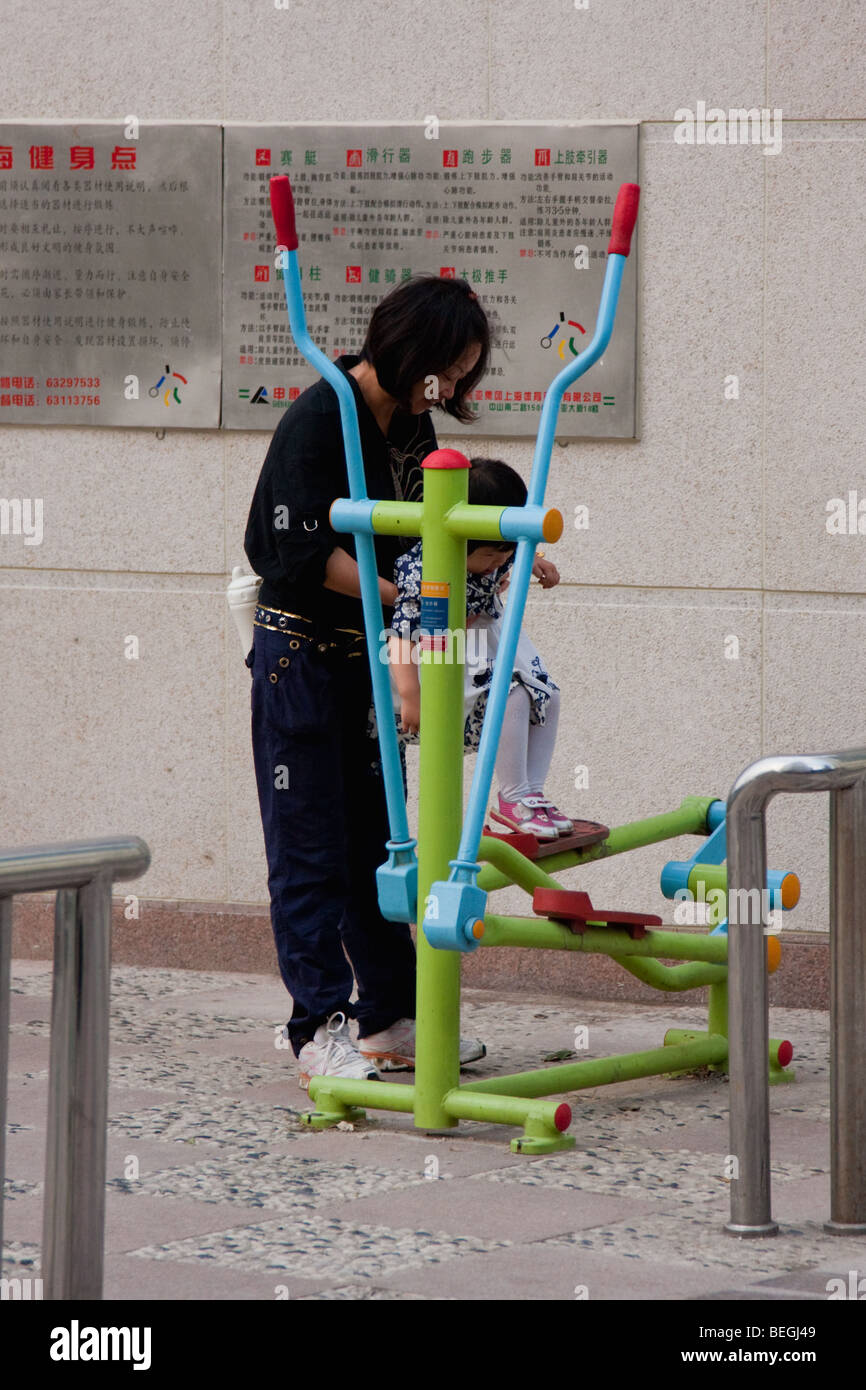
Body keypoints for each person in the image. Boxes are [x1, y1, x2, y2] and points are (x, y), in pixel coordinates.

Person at [244, 275, 491, 1087]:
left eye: (461, 374)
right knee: (311, 850)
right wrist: (410, 599)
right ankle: (318, 1028)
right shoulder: (321, 417)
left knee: (378, 844)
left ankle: (389, 1016)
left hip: (371, 661)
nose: (449, 389)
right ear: (406, 346)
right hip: (302, 657)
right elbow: (297, 551)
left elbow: (428, 535)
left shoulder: (415, 427)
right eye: (444, 369)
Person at [387, 458, 573, 841]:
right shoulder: (426, 568)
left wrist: (537, 563)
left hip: (483, 645)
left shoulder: (493, 555)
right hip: (440, 654)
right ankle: (513, 797)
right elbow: (401, 631)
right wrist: (410, 694)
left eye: (506, 553)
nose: (498, 563)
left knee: (549, 697)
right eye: (491, 555)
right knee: (514, 697)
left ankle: (530, 794)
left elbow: (515, 553)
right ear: (459, 537)